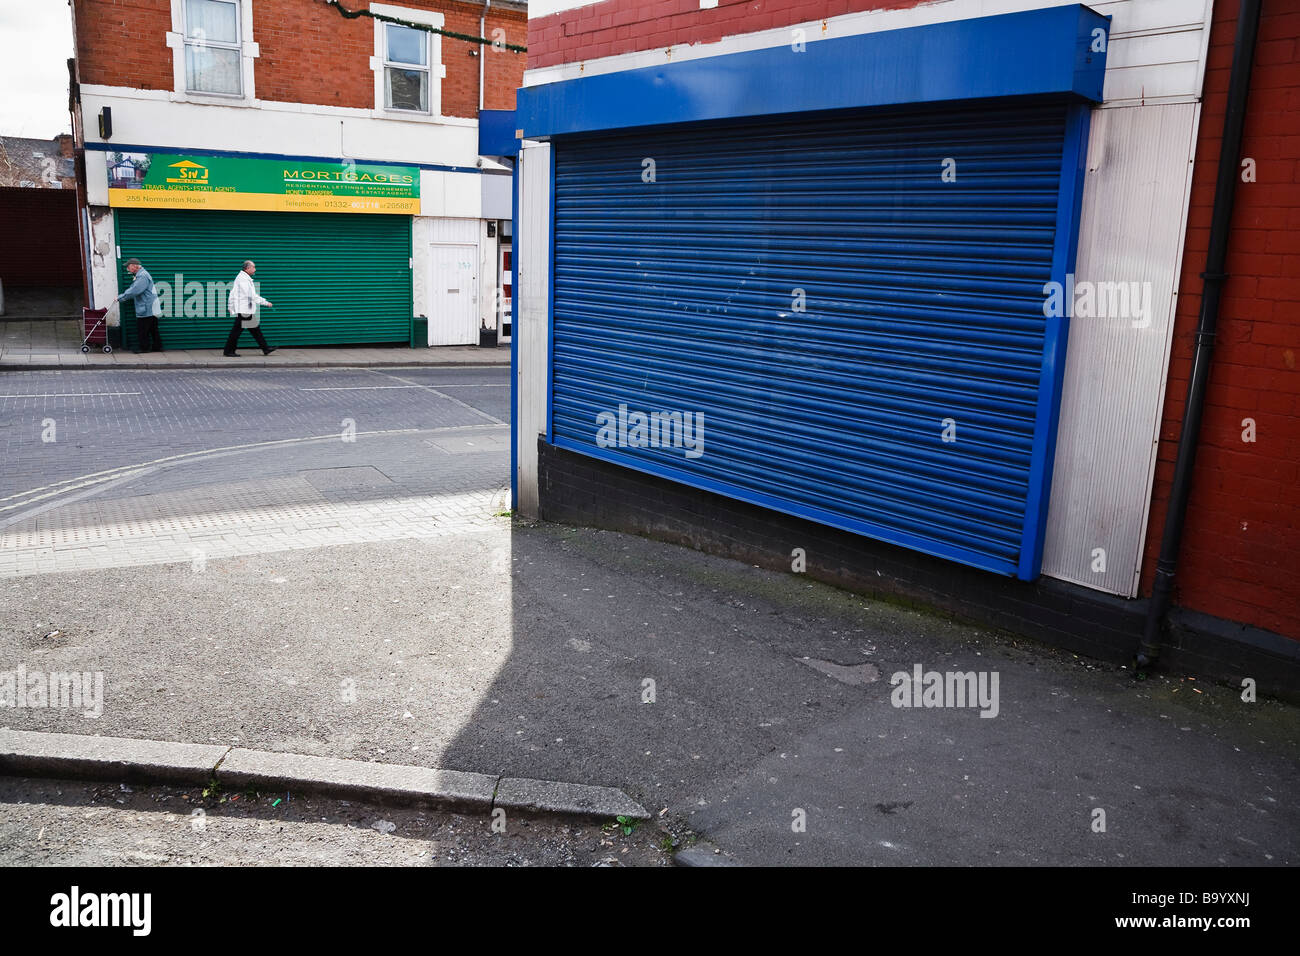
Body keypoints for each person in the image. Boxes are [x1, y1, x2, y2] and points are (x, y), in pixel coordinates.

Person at [224, 260, 277, 357]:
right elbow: (252, 295)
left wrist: (230, 306)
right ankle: (228, 351)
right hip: (244, 310)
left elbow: (232, 293)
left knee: (255, 330)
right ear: (248, 268)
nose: (255, 269)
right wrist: (265, 302)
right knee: (236, 332)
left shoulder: (243, 278)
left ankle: (265, 349)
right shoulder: (243, 280)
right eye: (253, 267)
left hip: (246, 310)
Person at [116, 258, 161, 352]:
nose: (127, 269)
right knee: (153, 328)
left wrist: (120, 297)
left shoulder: (142, 276)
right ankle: (157, 347)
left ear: (134, 266)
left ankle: (144, 348)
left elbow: (135, 290)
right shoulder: (141, 274)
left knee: (143, 329)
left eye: (128, 267)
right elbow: (134, 288)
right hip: (151, 306)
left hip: (147, 307)